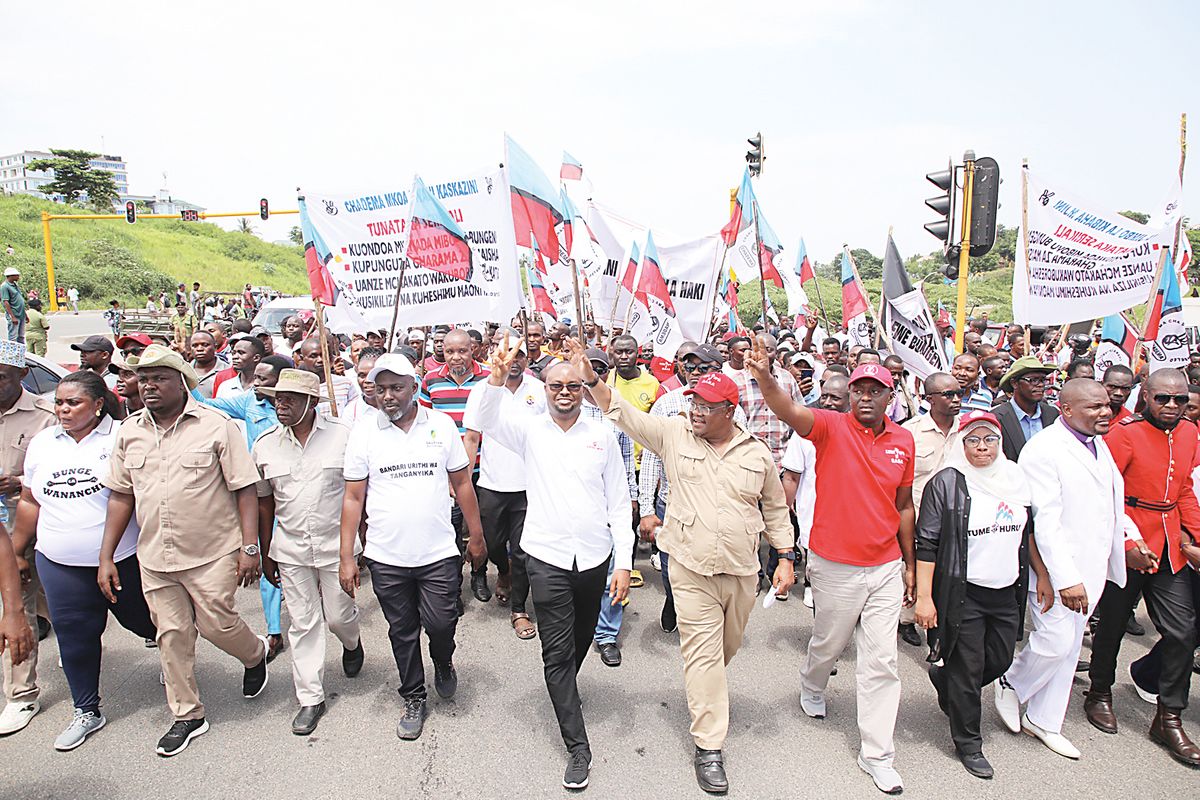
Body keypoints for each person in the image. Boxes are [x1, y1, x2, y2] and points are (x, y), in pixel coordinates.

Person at [581, 338, 793, 794]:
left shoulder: (756, 454)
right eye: (694, 401)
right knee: (702, 654)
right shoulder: (673, 433)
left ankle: (705, 695)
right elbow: (625, 414)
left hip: (741, 571)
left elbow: (775, 509)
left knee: (724, 651)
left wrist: (786, 557)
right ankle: (710, 745)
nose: (696, 410)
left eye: (707, 406)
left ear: (729, 412)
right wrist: (594, 380)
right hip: (690, 568)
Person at [746, 343, 915, 796]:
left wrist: (910, 564)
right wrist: (765, 377)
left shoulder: (904, 440)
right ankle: (813, 683)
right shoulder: (829, 426)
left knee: (882, 661)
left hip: (884, 566)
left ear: (889, 396)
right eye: (858, 389)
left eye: (874, 390)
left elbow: (903, 504)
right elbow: (788, 410)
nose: (864, 397)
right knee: (829, 643)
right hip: (834, 563)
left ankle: (877, 753)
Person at [98, 344, 270, 757]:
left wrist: (250, 547)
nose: (149, 385)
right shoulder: (130, 430)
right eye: (144, 378)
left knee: (217, 625)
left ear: (182, 383)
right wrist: (105, 556)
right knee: (171, 635)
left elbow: (245, 487)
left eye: (160, 378)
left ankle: (254, 653)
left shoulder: (216, 425)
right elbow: (121, 496)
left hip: (213, 551)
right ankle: (188, 714)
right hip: (155, 556)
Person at [476, 339, 632, 792]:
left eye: (572, 385)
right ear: (543, 389)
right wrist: (495, 378)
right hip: (544, 558)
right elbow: (485, 418)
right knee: (557, 653)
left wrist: (623, 562)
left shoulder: (603, 434)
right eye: (555, 385)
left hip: (594, 558)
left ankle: (563, 687)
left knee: (581, 640)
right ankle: (577, 747)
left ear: (583, 388)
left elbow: (619, 505)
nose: (564, 392)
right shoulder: (529, 428)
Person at [338, 353, 485, 743]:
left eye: (396, 387)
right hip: (387, 556)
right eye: (380, 388)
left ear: (414, 387)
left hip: (438, 553)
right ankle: (414, 696)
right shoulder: (365, 432)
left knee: (440, 623)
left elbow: (463, 484)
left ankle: (443, 658)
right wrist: (346, 556)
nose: (387, 395)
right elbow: (353, 498)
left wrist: (476, 535)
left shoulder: (439, 425)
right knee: (401, 631)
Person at [9, 370, 157, 750]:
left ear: (97, 405)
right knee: (75, 636)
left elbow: (136, 497)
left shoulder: (123, 435)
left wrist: (108, 556)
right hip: (57, 561)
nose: (63, 409)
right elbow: (29, 500)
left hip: (122, 559)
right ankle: (86, 710)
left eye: (73, 402)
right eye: (59, 402)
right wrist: (17, 552)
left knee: (143, 621)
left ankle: (175, 661)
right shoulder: (43, 442)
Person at [994, 379, 1128, 760]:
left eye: (1106, 405)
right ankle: (1013, 682)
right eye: (1095, 406)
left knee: (1069, 649)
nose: (1105, 412)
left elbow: (1110, 502)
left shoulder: (1098, 444)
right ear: (1066, 409)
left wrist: (1131, 540)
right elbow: (1045, 521)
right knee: (1054, 642)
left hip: (1093, 566)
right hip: (1056, 573)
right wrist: (1064, 578)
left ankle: (1044, 719)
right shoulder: (1044, 450)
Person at [914, 410, 1044, 779]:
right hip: (963, 593)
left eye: (989, 439)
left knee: (1000, 662)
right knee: (968, 670)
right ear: (962, 443)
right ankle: (969, 742)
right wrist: (925, 598)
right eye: (973, 440)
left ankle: (947, 680)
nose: (982, 447)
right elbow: (928, 544)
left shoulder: (1016, 479)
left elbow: (1027, 535)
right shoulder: (947, 482)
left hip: (1006, 593)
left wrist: (1044, 577)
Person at [1082, 370, 1200, 766]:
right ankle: (1099, 691)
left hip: (1169, 543)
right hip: (1127, 538)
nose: (1171, 406)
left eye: (1180, 400)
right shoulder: (1124, 433)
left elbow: (1183, 488)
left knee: (1183, 632)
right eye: (1163, 398)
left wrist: (1196, 536)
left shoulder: (1187, 433)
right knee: (1112, 624)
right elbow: (1104, 495)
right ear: (1145, 396)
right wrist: (1126, 543)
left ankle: (1168, 717)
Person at [253, 369, 361, 737]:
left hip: (337, 547)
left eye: (290, 400)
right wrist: (266, 550)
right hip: (291, 549)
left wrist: (359, 546)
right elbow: (264, 503)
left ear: (312, 403)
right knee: (303, 623)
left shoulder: (344, 437)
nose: (280, 405)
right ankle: (310, 697)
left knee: (338, 616)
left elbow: (358, 496)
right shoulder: (265, 444)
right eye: (276, 399)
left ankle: (352, 642)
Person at [638, 344, 749, 628]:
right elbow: (652, 457)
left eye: (705, 368)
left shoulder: (734, 410)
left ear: (719, 369)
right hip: (672, 503)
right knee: (670, 565)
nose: (696, 373)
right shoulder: (668, 404)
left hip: (715, 506)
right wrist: (647, 507)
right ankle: (674, 599)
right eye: (691, 368)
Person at [462, 336, 545, 640]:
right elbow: (472, 437)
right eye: (508, 354)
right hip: (491, 485)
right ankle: (504, 571)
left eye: (521, 355)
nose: (515, 360)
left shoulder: (539, 390)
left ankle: (519, 609)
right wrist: (463, 481)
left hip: (529, 486)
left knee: (523, 551)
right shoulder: (483, 390)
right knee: (494, 546)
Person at [0, 341, 56, 736]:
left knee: (33, 602)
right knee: (17, 602)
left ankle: (22, 696)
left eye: (1, 376)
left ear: (21, 375)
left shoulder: (47, 416)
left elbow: (61, 468)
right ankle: (21, 691)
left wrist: (18, 481)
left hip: (35, 521)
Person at [419, 329, 489, 605]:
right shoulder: (431, 381)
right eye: (450, 351)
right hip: (445, 471)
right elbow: (423, 422)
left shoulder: (488, 378)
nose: (456, 357)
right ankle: (453, 587)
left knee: (480, 527)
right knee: (450, 530)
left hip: (483, 467)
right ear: (443, 352)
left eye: (462, 350)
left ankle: (479, 574)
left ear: (474, 350)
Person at [896, 372, 964, 648]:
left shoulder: (970, 430)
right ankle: (906, 619)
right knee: (911, 571)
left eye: (959, 393)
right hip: (918, 517)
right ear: (928, 399)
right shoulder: (910, 432)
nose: (956, 399)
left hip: (958, 520)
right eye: (948, 395)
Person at [731, 333, 801, 471]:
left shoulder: (787, 379)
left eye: (769, 350)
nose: (763, 355)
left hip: (782, 461)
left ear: (776, 353)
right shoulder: (737, 381)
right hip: (747, 460)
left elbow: (799, 414)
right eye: (758, 350)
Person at [991, 356, 1059, 463]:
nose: (1040, 385)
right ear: (1014, 383)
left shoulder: (1052, 414)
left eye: (1042, 380)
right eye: (1033, 380)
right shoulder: (997, 417)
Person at [189, 331, 222, 400]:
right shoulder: (184, 372)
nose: (199, 349)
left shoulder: (227, 370)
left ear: (215, 347)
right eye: (195, 345)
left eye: (205, 345)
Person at [1, 268, 25, 344]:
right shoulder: (4, 286)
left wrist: (25, 314)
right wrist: (12, 316)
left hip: (21, 314)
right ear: (11, 276)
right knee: (13, 337)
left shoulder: (15, 285)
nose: (18, 277)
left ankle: (21, 353)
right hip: (14, 314)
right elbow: (5, 301)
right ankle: (12, 354)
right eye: (17, 275)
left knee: (21, 336)